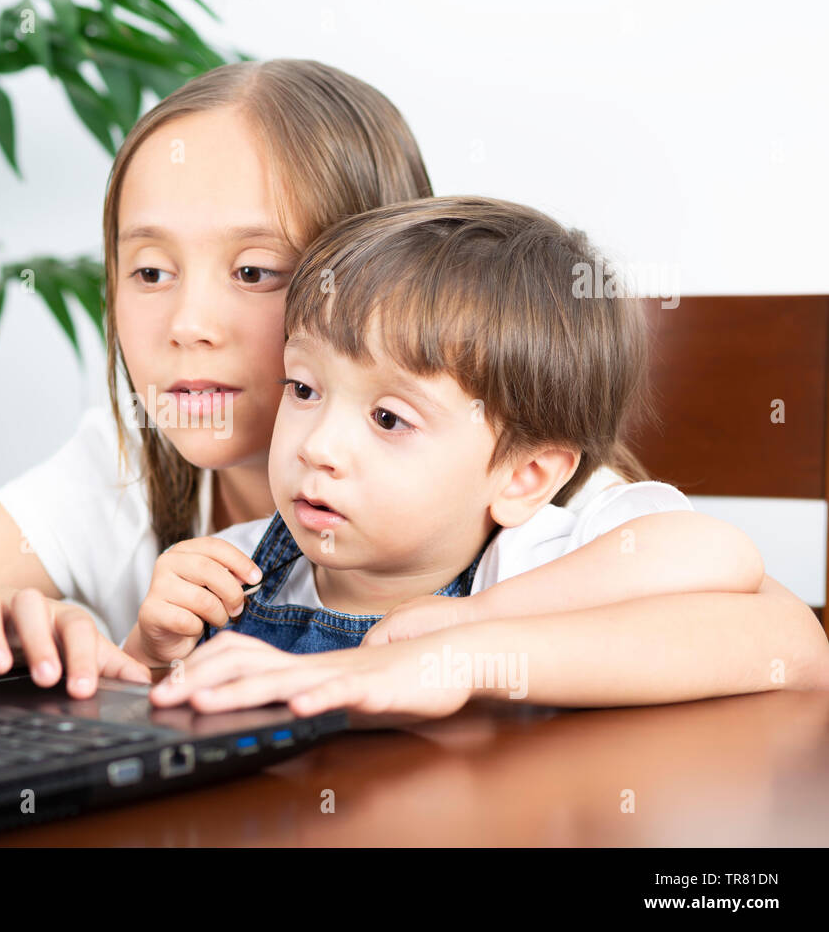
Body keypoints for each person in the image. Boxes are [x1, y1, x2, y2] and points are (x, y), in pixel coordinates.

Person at [0, 61, 820, 704]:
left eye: (255, 272)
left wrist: (454, 651)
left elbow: (786, 642)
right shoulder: (127, 458)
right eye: (148, 271)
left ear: (375, 274)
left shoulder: (516, 496)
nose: (187, 324)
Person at [144, 198, 829, 720]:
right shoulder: (244, 571)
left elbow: (719, 558)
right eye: (303, 388)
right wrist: (150, 653)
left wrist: (471, 634)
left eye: (389, 418)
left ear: (524, 477)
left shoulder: (537, 563)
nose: (316, 445)